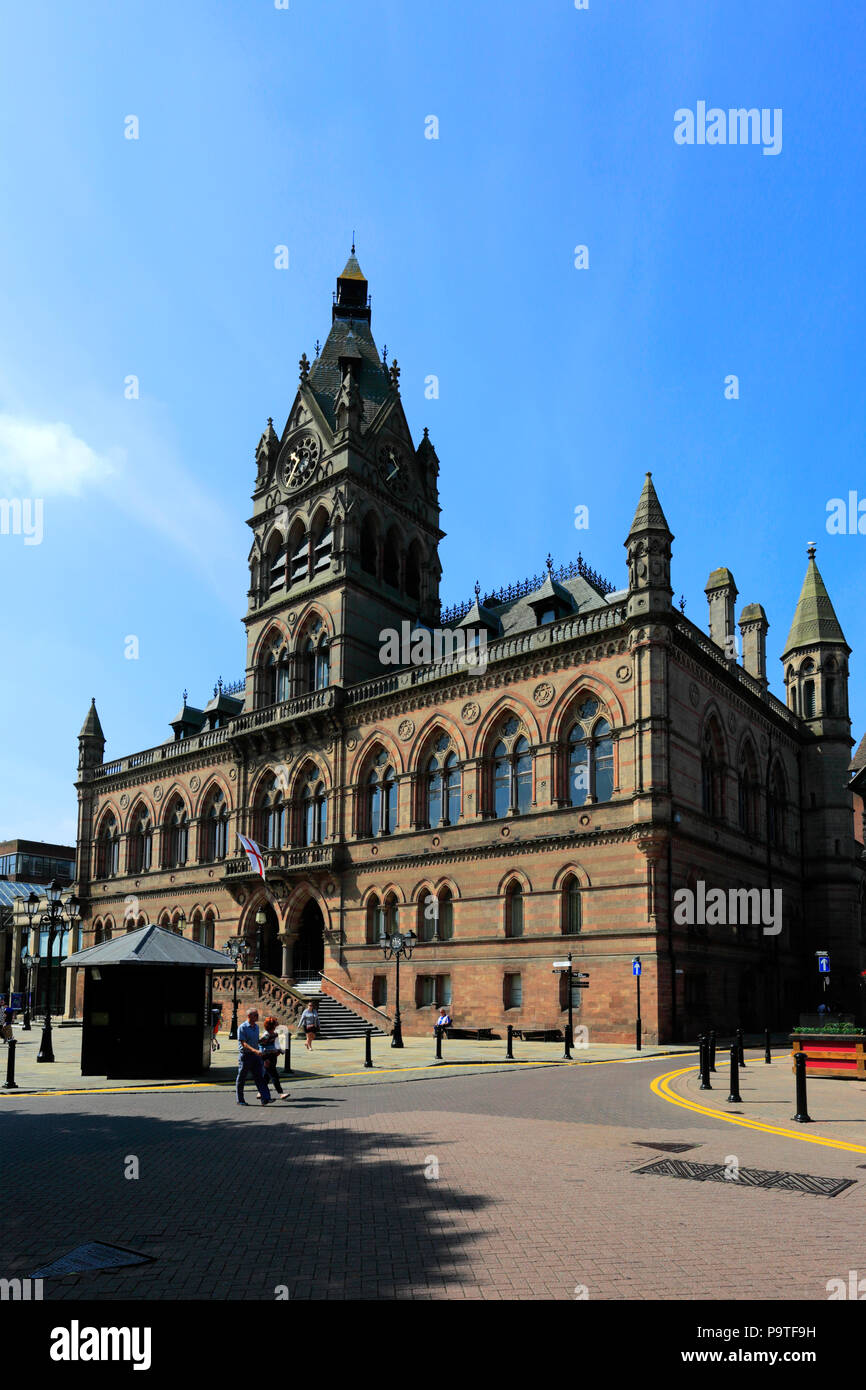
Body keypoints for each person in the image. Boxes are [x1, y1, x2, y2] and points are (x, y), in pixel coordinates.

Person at [236, 1008, 273, 1106]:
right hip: (245, 1056)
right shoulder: (242, 1027)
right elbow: (243, 1043)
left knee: (259, 1077)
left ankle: (265, 1098)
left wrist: (263, 1042)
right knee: (241, 1078)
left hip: (256, 1056)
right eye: (255, 1015)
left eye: (257, 1015)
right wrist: (254, 1050)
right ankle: (240, 1100)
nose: (257, 1017)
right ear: (249, 1016)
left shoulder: (256, 1027)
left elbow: (256, 1042)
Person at [260, 1017, 290, 1100]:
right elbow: (260, 1046)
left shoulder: (275, 1033)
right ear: (272, 1025)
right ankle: (281, 1093)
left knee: (266, 1076)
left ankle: (260, 1092)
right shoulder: (266, 1035)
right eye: (276, 1023)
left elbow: (278, 1043)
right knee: (274, 1075)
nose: (278, 1024)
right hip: (267, 1057)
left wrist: (279, 1051)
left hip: (273, 1056)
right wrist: (265, 1059)